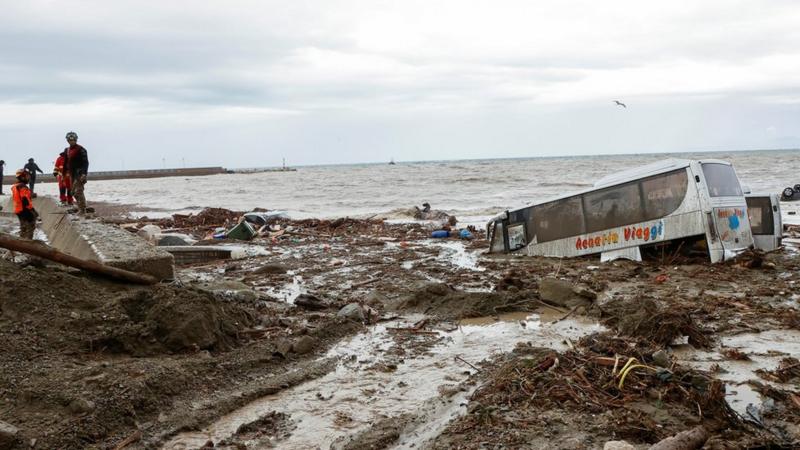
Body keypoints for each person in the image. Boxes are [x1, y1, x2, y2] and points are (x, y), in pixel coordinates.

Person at [64, 131, 89, 214]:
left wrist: (84, 174)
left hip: (80, 174)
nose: (71, 141)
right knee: (73, 192)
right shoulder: (67, 150)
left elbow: (86, 163)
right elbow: (66, 163)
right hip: (72, 174)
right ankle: (81, 206)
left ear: (76, 140)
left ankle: (82, 209)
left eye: (73, 140)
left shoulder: (81, 150)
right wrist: (64, 174)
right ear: (67, 140)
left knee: (79, 191)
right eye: (70, 140)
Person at [11, 169, 38, 239]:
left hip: (18, 210)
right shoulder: (23, 186)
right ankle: (28, 243)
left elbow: (20, 197)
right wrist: (32, 210)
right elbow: (24, 199)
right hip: (25, 209)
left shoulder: (16, 186)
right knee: (30, 227)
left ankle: (21, 243)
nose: (28, 178)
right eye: (27, 176)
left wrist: (31, 195)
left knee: (23, 228)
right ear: (22, 177)